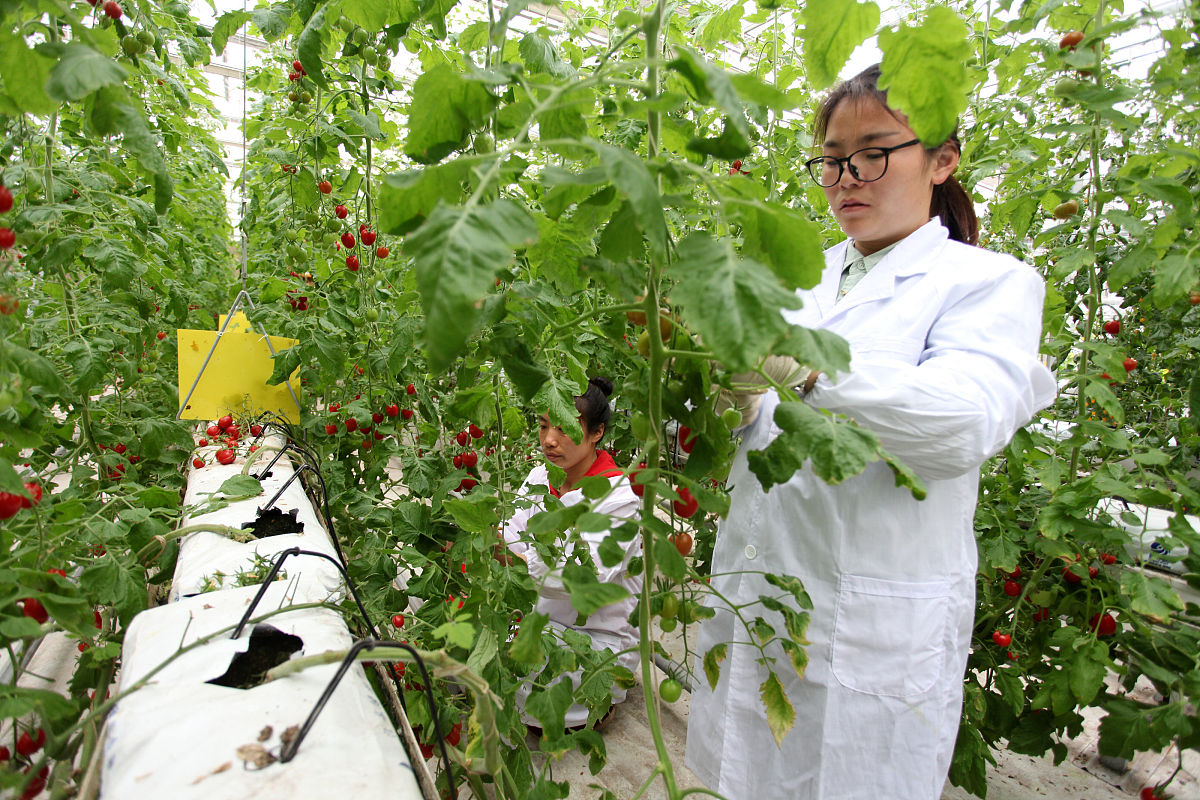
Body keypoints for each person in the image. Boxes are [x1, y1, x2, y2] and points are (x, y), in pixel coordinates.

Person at [685, 64, 1057, 799]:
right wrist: (728, 401)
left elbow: (961, 423)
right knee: (738, 778)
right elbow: (756, 437)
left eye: (874, 154)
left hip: (868, 627)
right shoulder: (799, 278)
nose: (847, 178)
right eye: (832, 160)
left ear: (942, 160)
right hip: (758, 595)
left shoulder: (989, 282)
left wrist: (807, 367)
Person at [500, 376, 641, 729]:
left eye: (564, 428)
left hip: (593, 641)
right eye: (544, 426)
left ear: (597, 433)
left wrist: (509, 558)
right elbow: (510, 531)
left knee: (527, 673)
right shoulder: (540, 476)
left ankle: (599, 703)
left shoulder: (618, 499)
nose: (549, 439)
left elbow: (583, 578)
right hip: (537, 619)